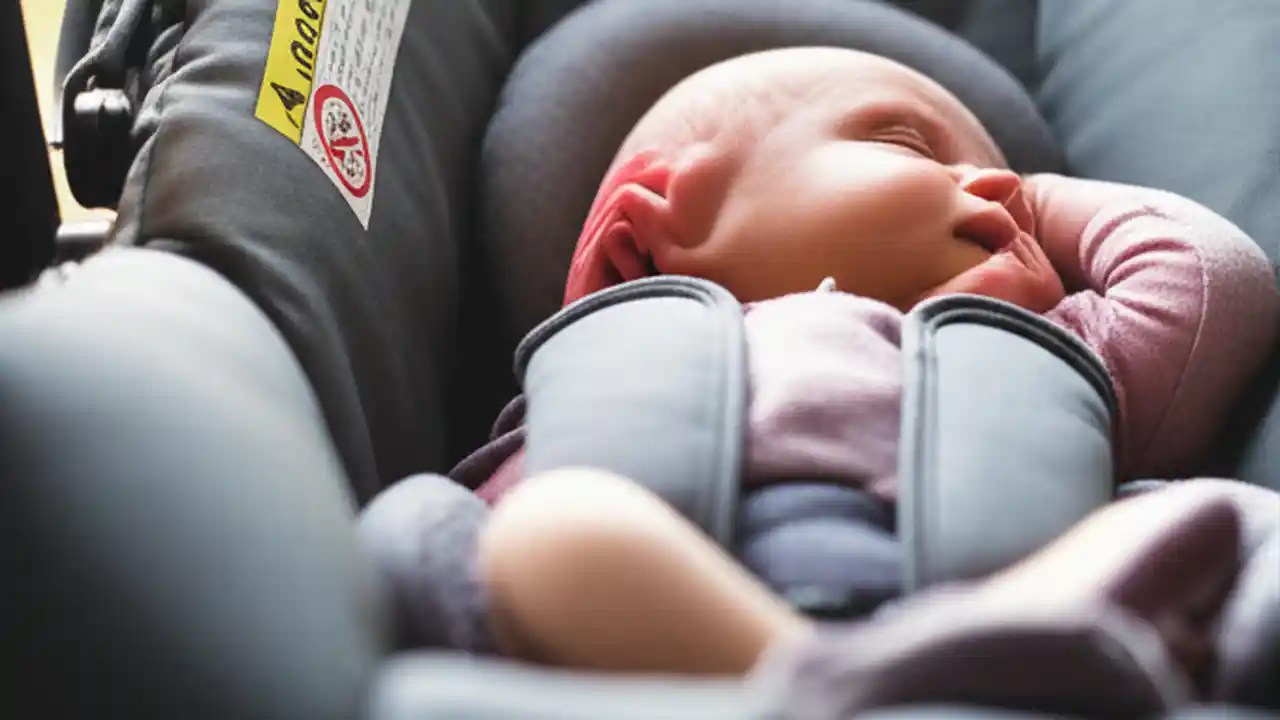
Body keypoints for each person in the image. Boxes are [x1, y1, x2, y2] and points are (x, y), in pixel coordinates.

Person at [359, 46, 1279, 710]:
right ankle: (837, 679)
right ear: (649, 234)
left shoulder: (1050, 358)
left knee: (1218, 519)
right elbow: (436, 560)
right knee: (533, 530)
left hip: (1012, 598)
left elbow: (1210, 276)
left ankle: (901, 673)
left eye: (1016, 185)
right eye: (917, 149)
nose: (1001, 191)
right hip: (672, 628)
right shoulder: (589, 379)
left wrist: (1038, 198)